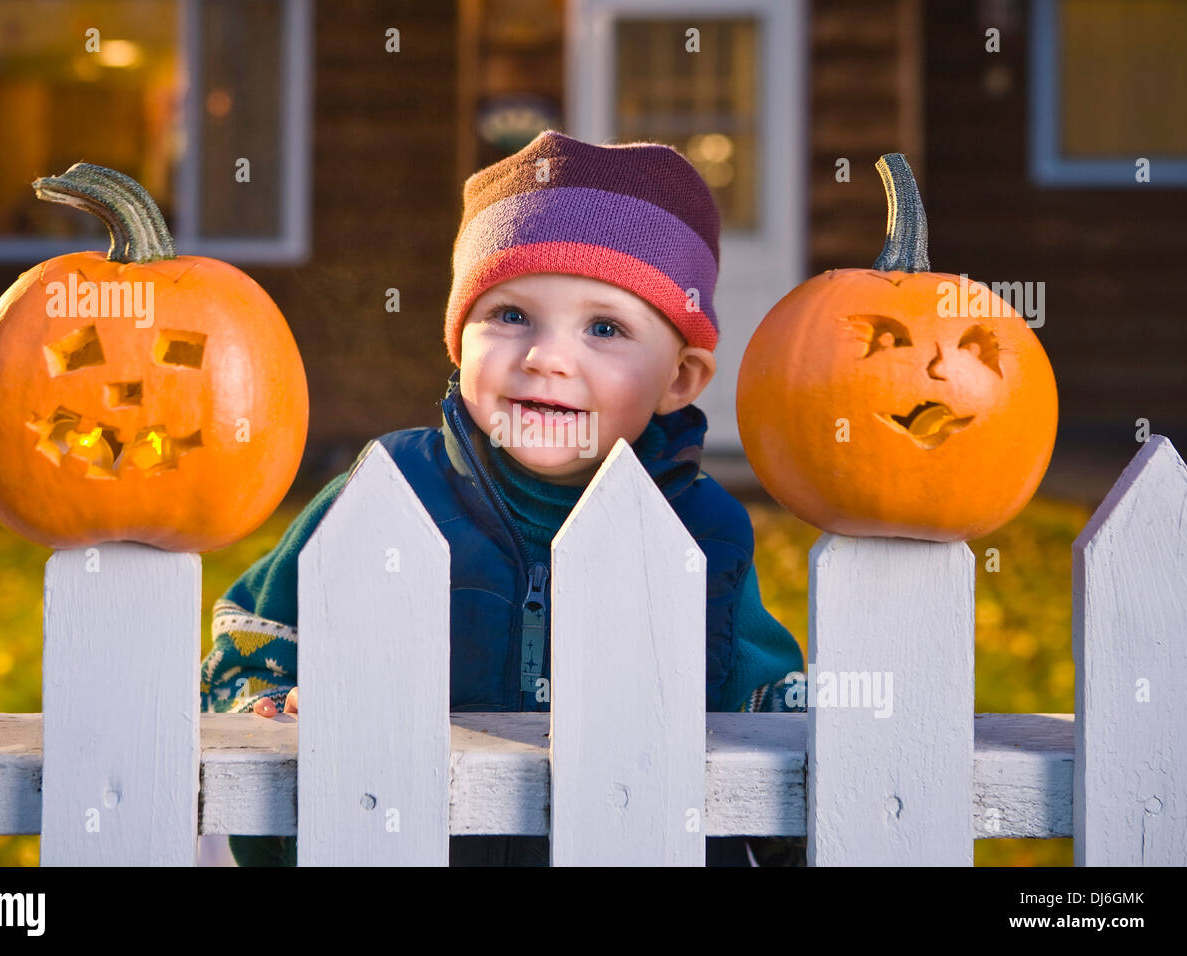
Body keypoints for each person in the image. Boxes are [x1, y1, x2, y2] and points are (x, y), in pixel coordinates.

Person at [201, 129, 808, 866]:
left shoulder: (700, 532)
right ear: (460, 341)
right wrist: (269, 709)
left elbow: (766, 725)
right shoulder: (388, 493)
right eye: (511, 315)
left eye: (605, 328)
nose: (548, 357)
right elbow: (256, 637)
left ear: (679, 378)